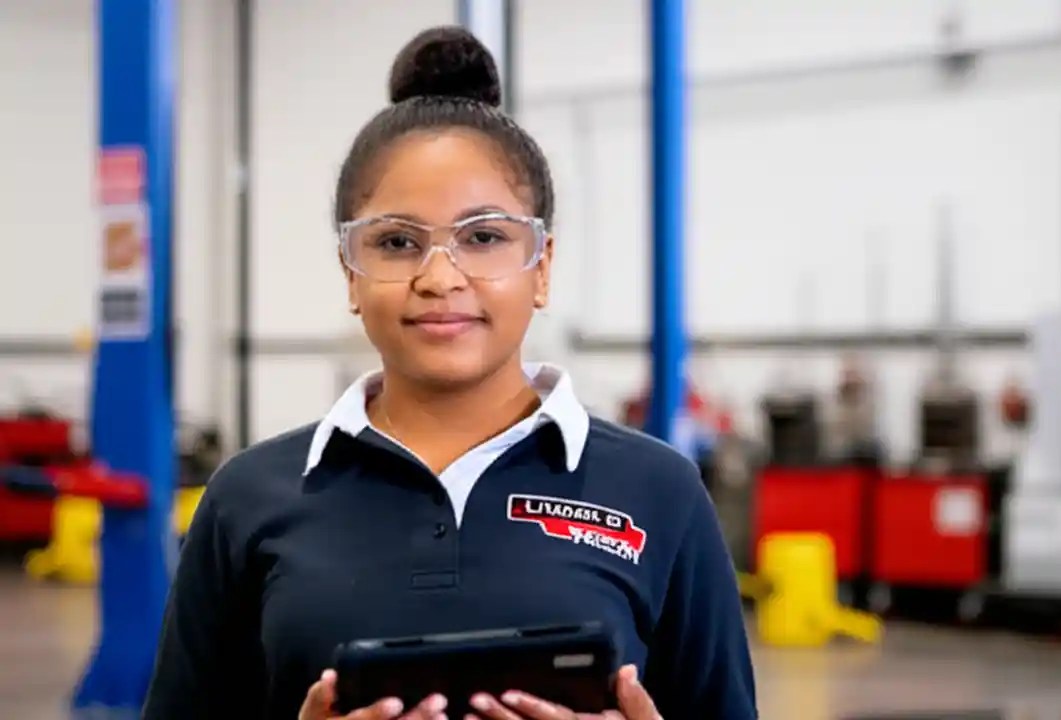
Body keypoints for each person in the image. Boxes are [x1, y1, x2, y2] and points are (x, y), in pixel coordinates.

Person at [140, 25, 756, 720]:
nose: (439, 277)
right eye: (397, 242)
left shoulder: (658, 491)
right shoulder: (246, 500)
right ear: (350, 272)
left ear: (542, 266)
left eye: (485, 237)